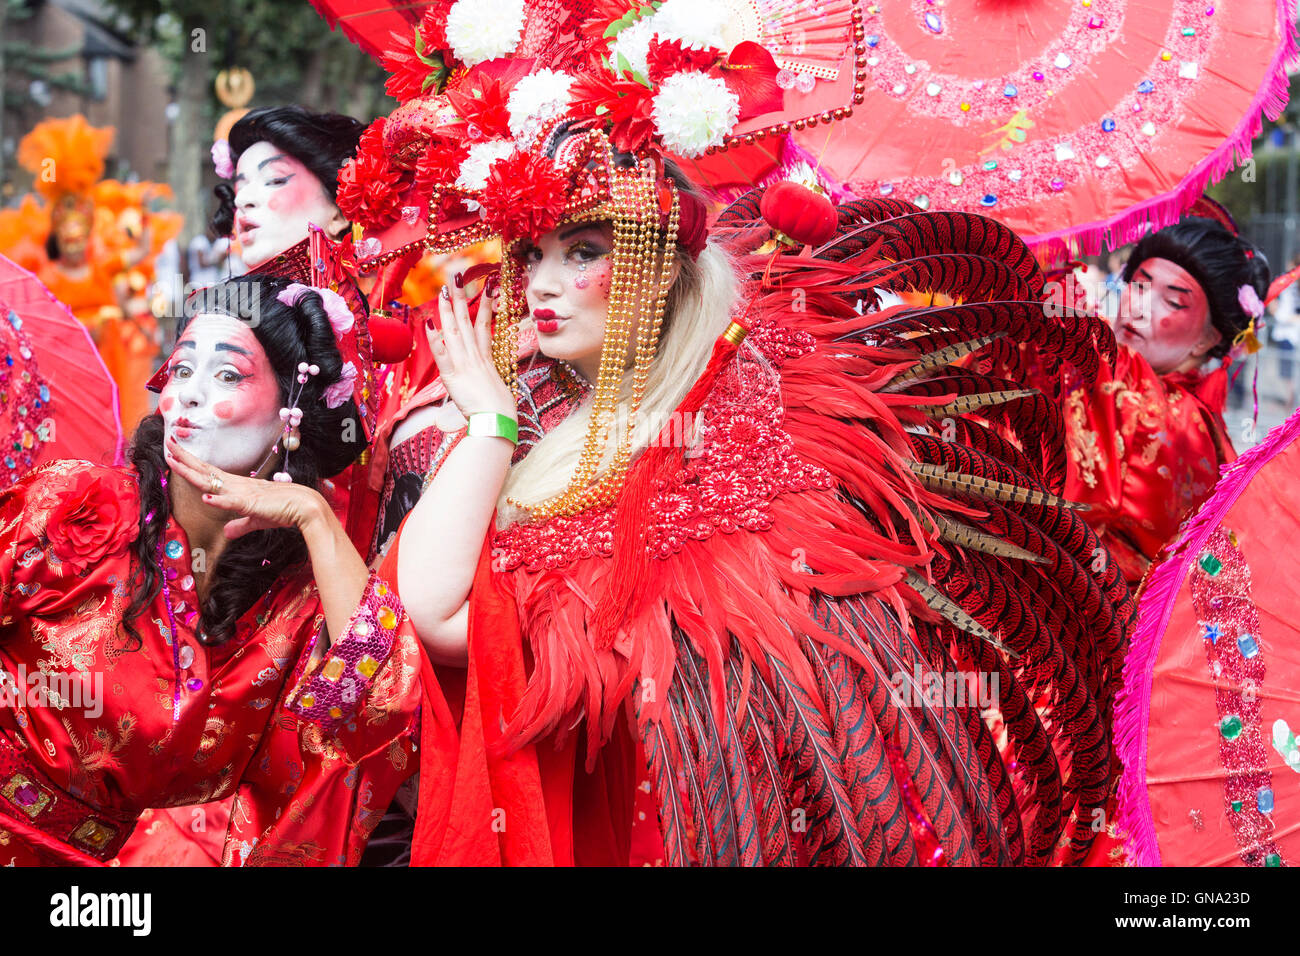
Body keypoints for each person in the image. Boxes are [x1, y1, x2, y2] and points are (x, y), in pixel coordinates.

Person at [345, 0, 1135, 866]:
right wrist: (488, 420)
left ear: (657, 266)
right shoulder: (549, 400)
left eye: (583, 252)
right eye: (531, 256)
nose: (544, 284)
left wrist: (487, 422)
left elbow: (443, 615)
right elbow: (387, 635)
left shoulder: (738, 426)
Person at [0, 275, 419, 865]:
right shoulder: (80, 503)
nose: (189, 395)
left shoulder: (292, 608)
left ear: (288, 416)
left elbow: (378, 708)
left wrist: (315, 515)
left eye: (227, 375)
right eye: (181, 371)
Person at [1059, 217, 1270, 586]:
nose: (1138, 308)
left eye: (1172, 301)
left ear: (1206, 341)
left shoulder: (1163, 408)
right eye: (1137, 285)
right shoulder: (1205, 423)